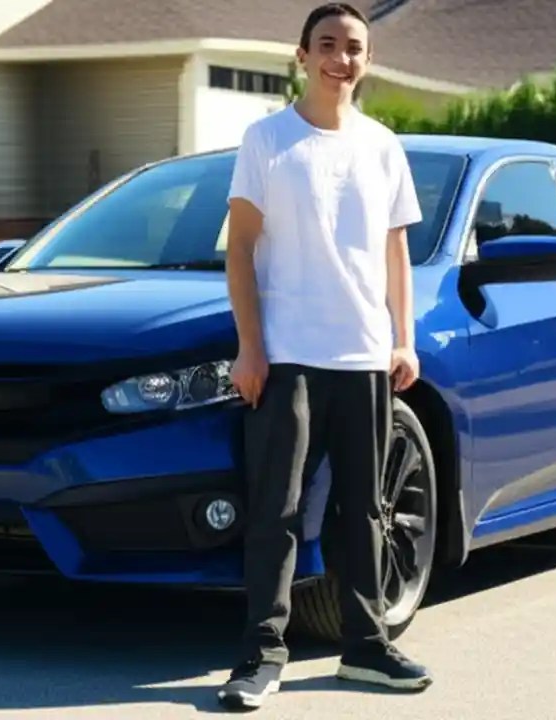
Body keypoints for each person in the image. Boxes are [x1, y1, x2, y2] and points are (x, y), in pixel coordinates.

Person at [216, 2, 432, 711]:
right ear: (302, 55)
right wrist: (251, 348)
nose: (342, 59)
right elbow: (241, 249)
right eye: (329, 45)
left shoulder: (383, 146)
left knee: (364, 510)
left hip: (366, 355)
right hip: (289, 358)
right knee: (275, 510)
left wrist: (403, 337)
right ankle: (261, 654)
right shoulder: (267, 140)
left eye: (355, 48)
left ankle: (366, 647)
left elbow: (396, 250)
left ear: (366, 61)